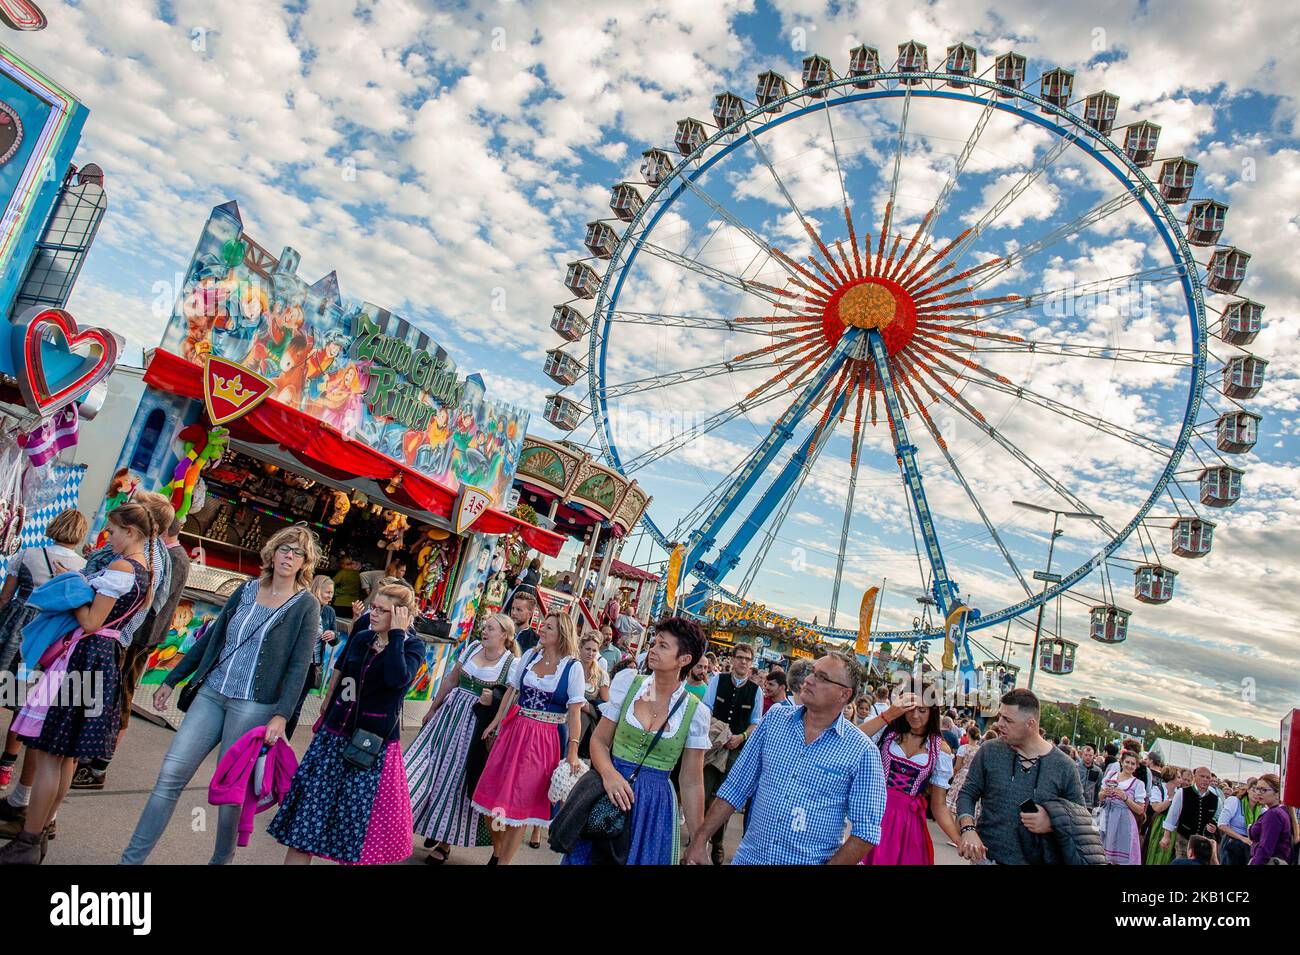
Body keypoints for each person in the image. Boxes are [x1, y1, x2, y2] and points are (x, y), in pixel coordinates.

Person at [119, 526, 320, 865]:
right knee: (169, 776)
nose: (289, 556)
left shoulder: (306, 606)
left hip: (254, 706)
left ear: (304, 562)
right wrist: (173, 678)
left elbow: (299, 667)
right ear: (272, 552)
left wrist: (281, 715)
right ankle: (130, 861)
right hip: (212, 694)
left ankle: (221, 861)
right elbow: (211, 641)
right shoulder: (245, 591)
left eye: (297, 552)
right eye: (284, 548)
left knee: (231, 793)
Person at [0, 502, 157, 865]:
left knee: (52, 754)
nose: (110, 537)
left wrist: (70, 595)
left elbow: (89, 622)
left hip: (83, 658)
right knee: (66, 755)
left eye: (114, 531)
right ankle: (38, 836)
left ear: (130, 532)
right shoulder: (145, 570)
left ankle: (28, 839)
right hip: (101, 660)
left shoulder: (121, 568)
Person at [683, 651, 886, 866]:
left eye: (821, 677)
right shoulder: (775, 719)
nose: (808, 680)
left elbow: (867, 832)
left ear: (844, 694)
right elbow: (736, 786)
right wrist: (700, 839)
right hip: (750, 858)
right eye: (812, 673)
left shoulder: (862, 752)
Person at [269, 584, 423, 865]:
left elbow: (396, 680)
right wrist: (328, 705)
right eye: (373, 607)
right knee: (304, 826)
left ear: (401, 614)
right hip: (333, 739)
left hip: (370, 748)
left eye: (381, 610)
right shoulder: (363, 637)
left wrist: (398, 635)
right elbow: (344, 674)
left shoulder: (412, 646)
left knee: (355, 835)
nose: (372, 613)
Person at [563, 617, 709, 865]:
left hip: (654, 806)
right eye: (655, 642)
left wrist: (698, 842)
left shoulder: (696, 712)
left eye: (664, 646)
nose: (653, 649)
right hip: (608, 790)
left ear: (684, 660)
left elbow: (692, 781)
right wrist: (609, 774)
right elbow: (599, 741)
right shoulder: (629, 683)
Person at [79, 509, 192, 790]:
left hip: (139, 636)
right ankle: (90, 756)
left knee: (121, 696)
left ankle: (99, 764)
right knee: (112, 694)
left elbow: (156, 603)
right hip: (133, 634)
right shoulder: (157, 555)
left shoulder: (171, 558)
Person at [470, 610, 582, 865]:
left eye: (549, 628)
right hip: (515, 730)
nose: (542, 630)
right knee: (493, 796)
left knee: (520, 804)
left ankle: (503, 862)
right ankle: (498, 851)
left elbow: (575, 713)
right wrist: (496, 723)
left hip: (545, 738)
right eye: (543, 625)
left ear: (562, 634)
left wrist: (573, 749)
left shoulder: (572, 668)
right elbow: (511, 691)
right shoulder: (530, 656)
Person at [406, 613, 518, 864]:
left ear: (505, 635)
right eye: (485, 627)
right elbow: (451, 679)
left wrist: (493, 705)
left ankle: (444, 842)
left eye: (491, 628)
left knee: (454, 781)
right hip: (447, 719)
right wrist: (433, 708)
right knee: (424, 768)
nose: (485, 631)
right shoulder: (472, 648)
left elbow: (510, 703)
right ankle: (410, 823)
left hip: (475, 727)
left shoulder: (512, 664)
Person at [0, 508, 89, 790]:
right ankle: (6, 765)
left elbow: (5, 596)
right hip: (49, 635)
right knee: (21, 700)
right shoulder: (84, 568)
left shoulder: (27, 555)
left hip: (15, 625)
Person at [956, 689, 1086, 865]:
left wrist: (1052, 821)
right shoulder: (990, 750)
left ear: (1030, 724)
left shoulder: (1065, 767)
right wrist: (968, 828)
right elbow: (968, 793)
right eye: (1000, 716)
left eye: (1008, 720)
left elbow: (1081, 818)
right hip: (986, 859)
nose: (1000, 723)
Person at [858, 679, 962, 864]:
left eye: (922, 710)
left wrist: (959, 840)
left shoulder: (940, 750)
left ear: (933, 711)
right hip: (875, 814)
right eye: (909, 708)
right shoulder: (887, 733)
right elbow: (853, 739)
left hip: (908, 825)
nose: (915, 716)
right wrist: (888, 714)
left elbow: (938, 805)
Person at [699, 641, 764, 864]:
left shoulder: (756, 691)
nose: (743, 662)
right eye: (740, 658)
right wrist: (715, 733)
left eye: (747, 659)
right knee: (704, 794)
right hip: (713, 745)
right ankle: (700, 839)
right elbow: (706, 708)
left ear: (751, 663)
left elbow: (755, 723)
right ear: (733, 659)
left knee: (725, 799)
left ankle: (717, 844)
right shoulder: (718, 680)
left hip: (736, 750)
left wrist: (741, 737)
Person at [286, 575, 340, 740]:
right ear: (317, 588)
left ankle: (283, 741)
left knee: (296, 708)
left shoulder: (329, 612)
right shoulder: (303, 604)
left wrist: (333, 634)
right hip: (294, 663)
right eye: (327, 592)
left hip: (313, 666)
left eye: (332, 593)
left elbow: (335, 640)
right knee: (284, 702)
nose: (330, 596)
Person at [1159, 766, 1219, 861]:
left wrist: (1213, 827)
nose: (1205, 780)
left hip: (1202, 841)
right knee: (1182, 861)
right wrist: (1166, 836)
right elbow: (1172, 815)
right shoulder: (1182, 792)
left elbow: (1215, 818)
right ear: (1195, 777)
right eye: (1202, 776)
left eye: (1208, 777)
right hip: (1183, 837)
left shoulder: (1215, 798)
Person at [1099, 751, 1146, 864]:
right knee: (1100, 855)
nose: (1129, 766)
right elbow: (1100, 797)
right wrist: (1104, 793)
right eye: (1127, 762)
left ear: (1136, 766)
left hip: (1123, 821)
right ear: (1121, 762)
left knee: (1119, 858)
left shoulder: (1138, 784)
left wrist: (1125, 798)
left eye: (1133, 764)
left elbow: (1140, 810)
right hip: (1106, 817)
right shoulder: (1111, 776)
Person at [1247, 774, 1297, 865]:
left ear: (1278, 793)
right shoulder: (1282, 811)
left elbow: (1265, 849)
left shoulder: (1274, 814)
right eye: (1257, 789)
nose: (1258, 793)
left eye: (1263, 790)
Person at [576, 634, 611, 759]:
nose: (590, 653)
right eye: (587, 649)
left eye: (594, 650)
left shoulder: (601, 675)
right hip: (565, 717)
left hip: (586, 723)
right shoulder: (571, 667)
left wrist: (589, 708)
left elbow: (605, 705)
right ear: (580, 648)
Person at [948, 727, 993, 817]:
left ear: (968, 735)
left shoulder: (963, 748)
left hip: (962, 775)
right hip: (974, 777)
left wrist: (953, 775)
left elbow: (957, 766)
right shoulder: (980, 750)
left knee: (957, 801)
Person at [1144, 766, 1179, 865]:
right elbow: (1157, 808)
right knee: (1154, 849)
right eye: (1179, 777)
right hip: (1159, 823)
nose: (1181, 780)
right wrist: (1171, 798)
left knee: (1168, 854)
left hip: (1173, 825)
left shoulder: (1179, 792)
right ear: (1172, 777)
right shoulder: (1158, 789)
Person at [508, 591, 538, 655]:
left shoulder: (535, 641)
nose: (513, 613)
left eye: (519, 610)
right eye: (512, 608)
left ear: (530, 614)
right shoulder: (501, 631)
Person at [1077, 744, 1104, 809]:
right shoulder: (1075, 767)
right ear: (1081, 755)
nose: (1088, 757)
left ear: (1094, 756)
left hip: (1089, 804)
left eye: (1090, 755)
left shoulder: (1098, 771)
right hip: (1075, 801)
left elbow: (1098, 787)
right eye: (1086, 755)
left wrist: (1096, 804)